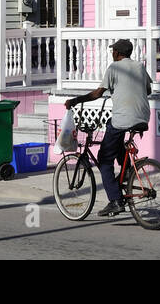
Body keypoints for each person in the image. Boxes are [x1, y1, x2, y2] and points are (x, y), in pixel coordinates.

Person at [65, 38, 152, 216]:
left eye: (113, 51)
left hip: (123, 119)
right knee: (113, 132)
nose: (112, 53)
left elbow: (98, 93)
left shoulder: (114, 68)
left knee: (104, 159)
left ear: (118, 53)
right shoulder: (140, 67)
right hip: (143, 117)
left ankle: (115, 201)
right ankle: (127, 170)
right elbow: (148, 90)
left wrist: (75, 100)